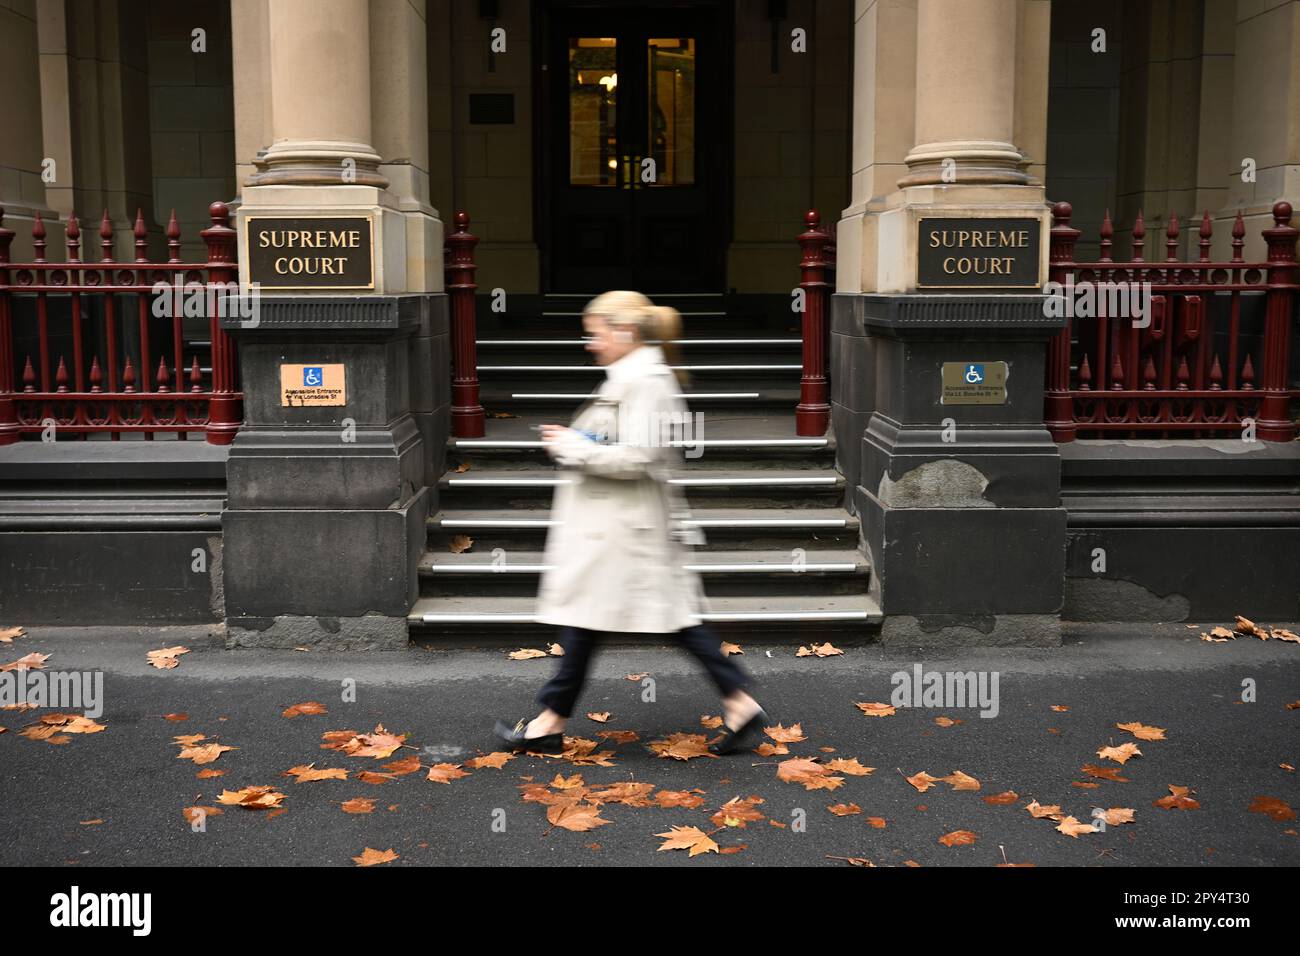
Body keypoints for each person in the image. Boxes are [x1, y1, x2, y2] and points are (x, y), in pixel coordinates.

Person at [493, 290, 769, 756]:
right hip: (618, 528)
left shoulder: (647, 382)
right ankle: (551, 720)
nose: (590, 343)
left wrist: (571, 446)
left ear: (624, 331)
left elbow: (639, 456)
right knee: (611, 622)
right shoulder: (634, 378)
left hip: (625, 531)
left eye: (596, 332)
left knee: (638, 621)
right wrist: (577, 440)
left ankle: (549, 722)